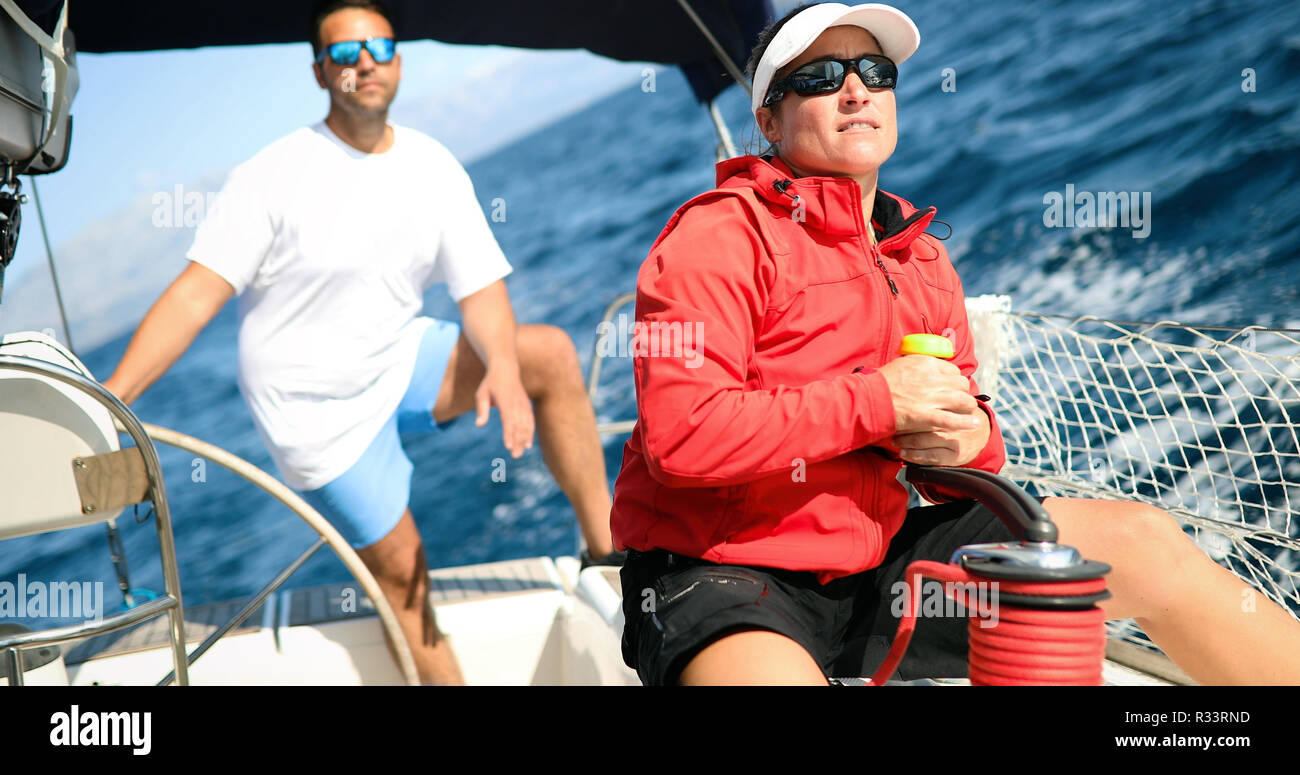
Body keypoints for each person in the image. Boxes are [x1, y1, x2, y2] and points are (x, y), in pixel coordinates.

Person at [612, 1, 1300, 686]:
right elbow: (682, 435)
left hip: (875, 563)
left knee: (1146, 544)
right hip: (718, 572)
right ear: (768, 120)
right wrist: (878, 400)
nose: (856, 90)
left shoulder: (921, 260)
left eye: (874, 71)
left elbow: (958, 453)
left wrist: (971, 439)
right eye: (821, 77)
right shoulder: (717, 239)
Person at [102, 0, 617, 685]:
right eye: (344, 53)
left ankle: (607, 553)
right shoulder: (271, 176)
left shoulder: (431, 166)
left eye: (378, 46)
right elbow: (196, 295)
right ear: (321, 73)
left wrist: (499, 366)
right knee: (406, 574)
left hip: (398, 356)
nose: (364, 61)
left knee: (546, 353)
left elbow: (482, 291)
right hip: (313, 409)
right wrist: (110, 398)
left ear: (399, 59)